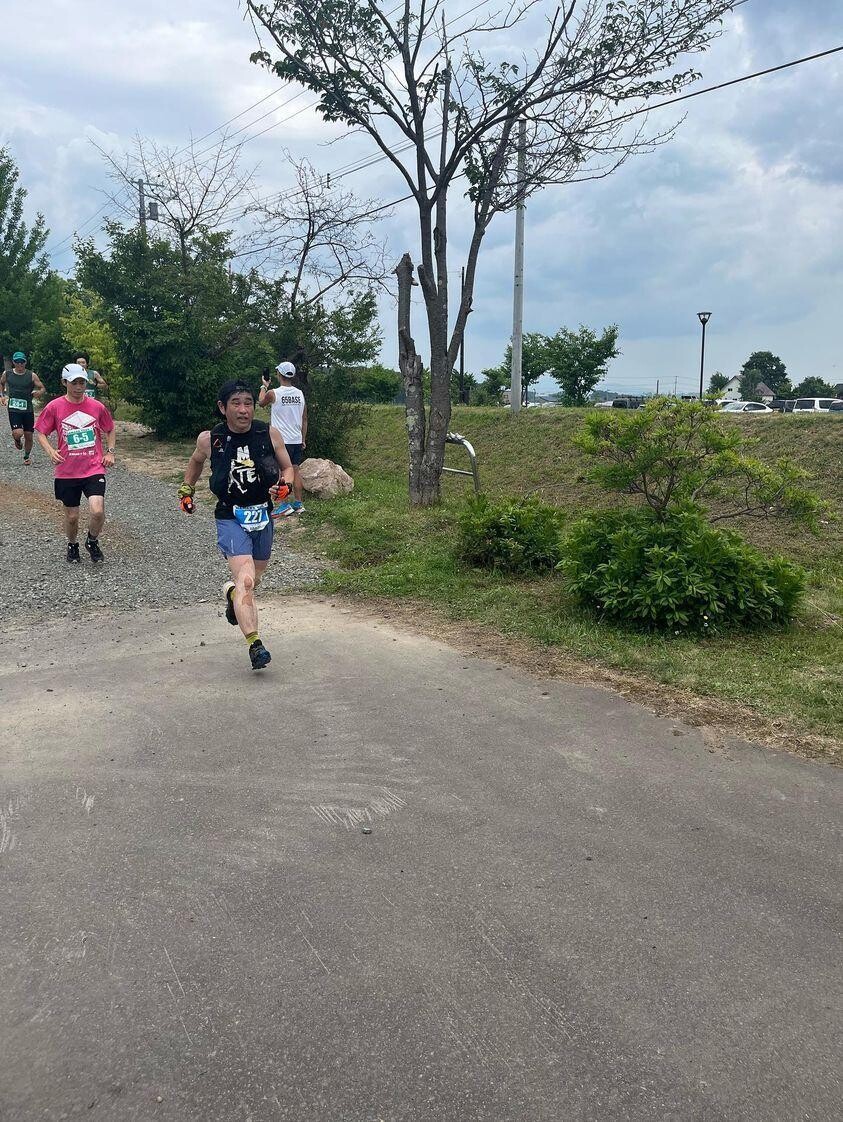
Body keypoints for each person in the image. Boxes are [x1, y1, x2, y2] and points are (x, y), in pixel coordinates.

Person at [179, 379, 294, 671]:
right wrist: (186, 490)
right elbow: (195, 462)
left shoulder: (269, 433)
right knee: (245, 579)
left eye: (248, 403)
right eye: (236, 404)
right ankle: (255, 645)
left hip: (262, 514)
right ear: (222, 407)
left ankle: (231, 595)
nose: (243, 410)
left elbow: (288, 468)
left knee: (251, 582)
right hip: (230, 515)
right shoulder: (210, 439)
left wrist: (286, 487)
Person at [34, 363, 116, 563]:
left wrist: (110, 452)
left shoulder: (97, 407)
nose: (79, 387)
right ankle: (72, 545)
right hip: (67, 472)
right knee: (72, 517)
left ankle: (92, 540)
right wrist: (51, 451)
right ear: (64, 383)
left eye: (82, 383)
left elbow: (110, 429)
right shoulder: (54, 407)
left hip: (93, 468)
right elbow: (41, 432)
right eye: (74, 383)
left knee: (97, 510)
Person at [258, 361, 307, 517]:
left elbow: (261, 403)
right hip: (296, 438)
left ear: (279, 374)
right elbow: (304, 418)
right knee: (295, 471)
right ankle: (298, 504)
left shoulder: (274, 393)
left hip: (281, 440)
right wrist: (303, 438)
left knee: (280, 472)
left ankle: (283, 504)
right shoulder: (300, 393)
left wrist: (263, 386)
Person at [0, 351, 46, 464]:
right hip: (13, 409)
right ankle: (17, 439)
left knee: (29, 435)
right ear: (13, 362)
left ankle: (26, 456)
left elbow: (42, 387)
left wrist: (39, 393)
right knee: (18, 433)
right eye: (17, 362)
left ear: (25, 362)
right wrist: (2, 395)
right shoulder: (8, 373)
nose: (20, 365)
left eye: (22, 362)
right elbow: (1, 383)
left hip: (28, 409)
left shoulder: (31, 375)